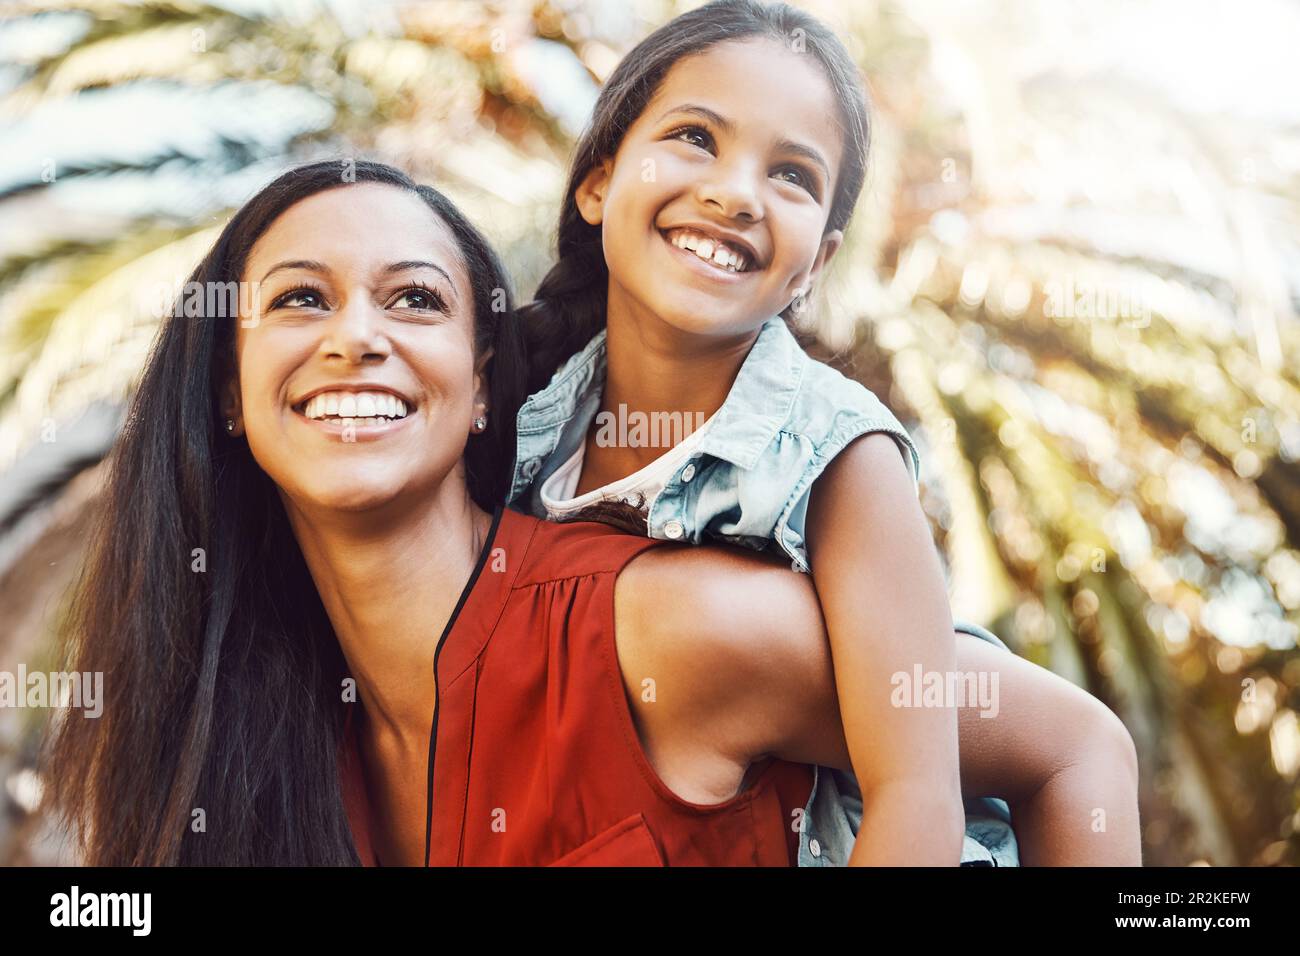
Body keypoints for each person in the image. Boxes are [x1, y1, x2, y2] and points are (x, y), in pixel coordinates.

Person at [39, 161, 1139, 866]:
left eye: (414, 297)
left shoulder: (661, 628)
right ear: (230, 392)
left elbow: (1071, 742)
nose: (355, 337)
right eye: (300, 299)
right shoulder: (242, 753)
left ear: (480, 388)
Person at [511, 0, 1043, 864]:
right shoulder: (522, 418)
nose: (734, 193)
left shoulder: (842, 457)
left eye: (792, 174)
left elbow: (917, 798)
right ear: (599, 180)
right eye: (694, 137)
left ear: (818, 264)